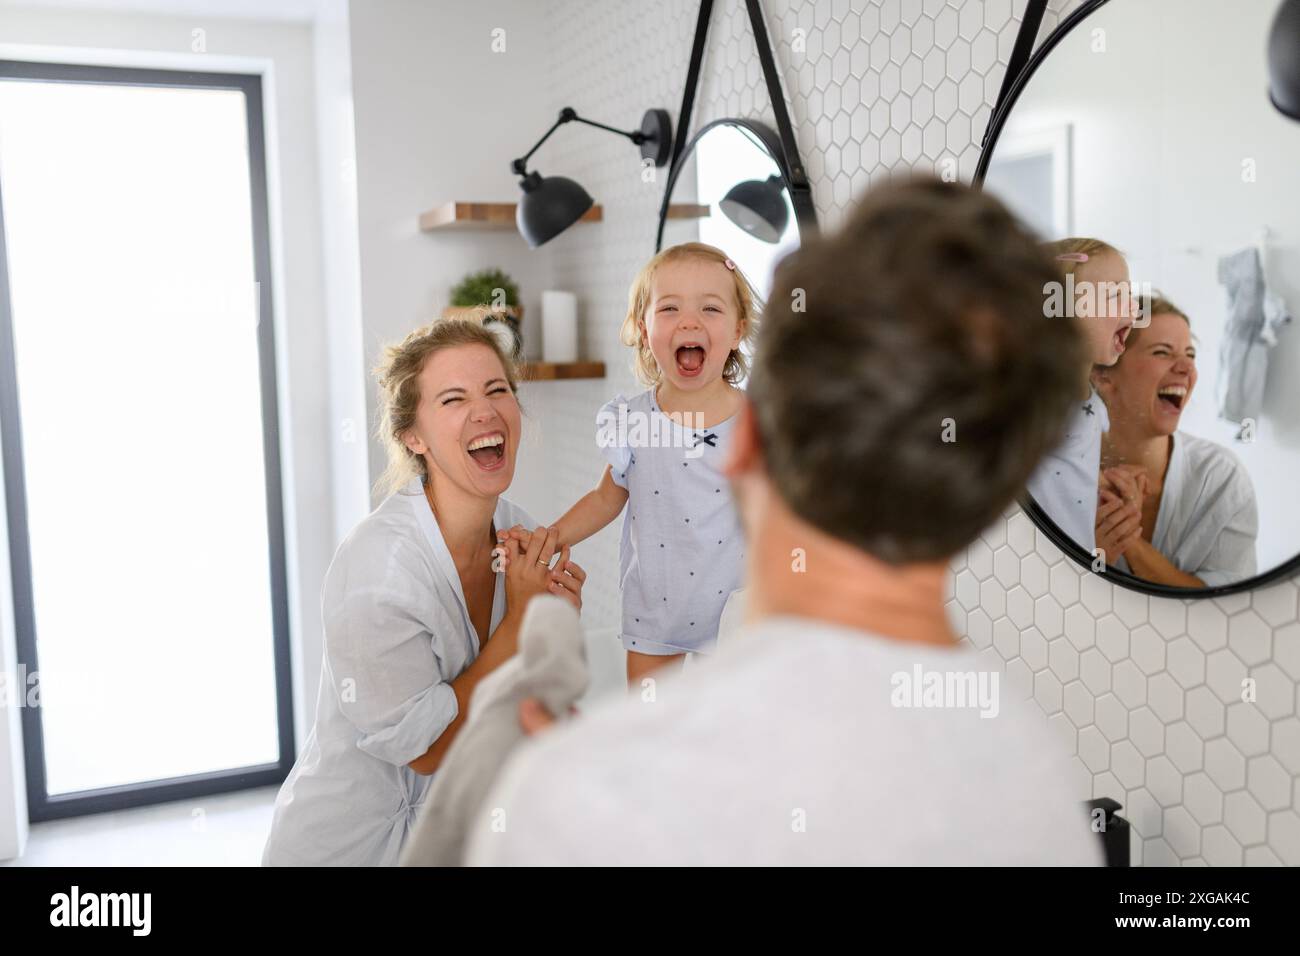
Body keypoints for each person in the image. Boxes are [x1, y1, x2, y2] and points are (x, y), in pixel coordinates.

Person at [464, 178, 1104, 866]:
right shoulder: (1038, 788)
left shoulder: (583, 801)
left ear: (746, 443)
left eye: (711, 308)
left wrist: (557, 777)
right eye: (671, 307)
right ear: (1001, 484)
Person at [261, 318, 585, 866]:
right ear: (414, 435)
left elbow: (522, 709)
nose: (485, 411)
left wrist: (554, 625)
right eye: (454, 399)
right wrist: (524, 620)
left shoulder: (518, 535)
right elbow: (428, 749)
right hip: (341, 849)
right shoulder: (376, 569)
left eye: (497, 390)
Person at [500, 242, 760, 685]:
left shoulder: (757, 423)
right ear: (643, 329)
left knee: (725, 734)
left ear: (737, 331)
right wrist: (551, 537)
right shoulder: (632, 421)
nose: (690, 321)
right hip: (654, 609)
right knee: (650, 729)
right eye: (670, 308)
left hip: (734, 611)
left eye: (710, 309)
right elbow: (606, 497)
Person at [1093, 294, 1258, 587]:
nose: (1187, 368)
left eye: (1190, 355)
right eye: (1162, 352)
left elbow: (1226, 605)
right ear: (1104, 375)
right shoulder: (1064, 472)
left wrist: (1128, 541)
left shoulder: (1220, 477)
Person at [1026, 238, 1138, 556]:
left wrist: (1101, 484)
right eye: (1115, 295)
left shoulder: (1093, 405)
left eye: (1129, 294)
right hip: (1043, 564)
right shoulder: (1038, 401)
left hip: (1076, 569)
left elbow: (1065, 467)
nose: (1133, 306)